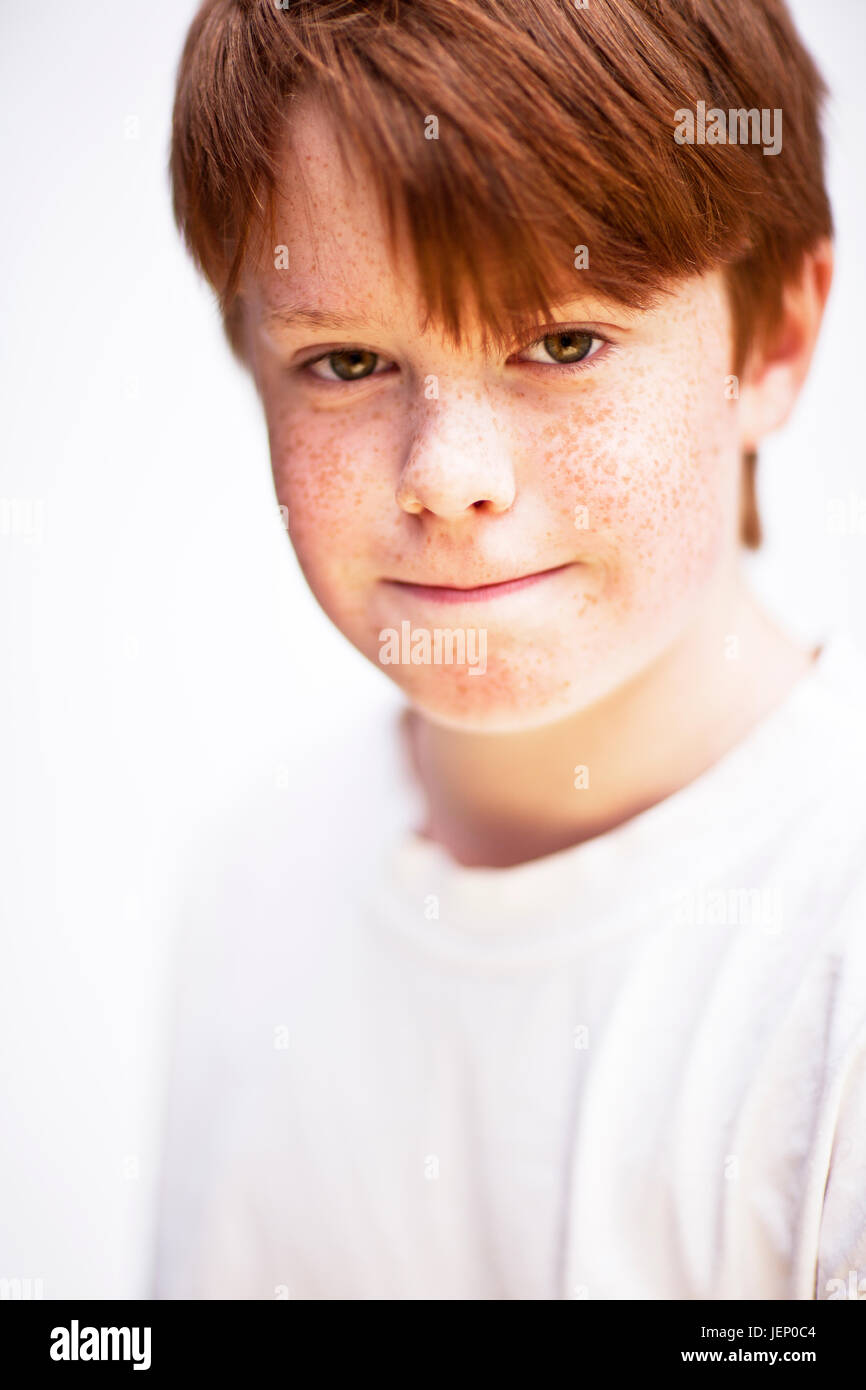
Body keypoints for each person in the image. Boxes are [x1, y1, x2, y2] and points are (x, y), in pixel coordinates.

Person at [151, 0, 866, 1299]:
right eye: (348, 359)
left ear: (771, 337)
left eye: (564, 341)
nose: (446, 477)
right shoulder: (247, 882)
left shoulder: (833, 961)